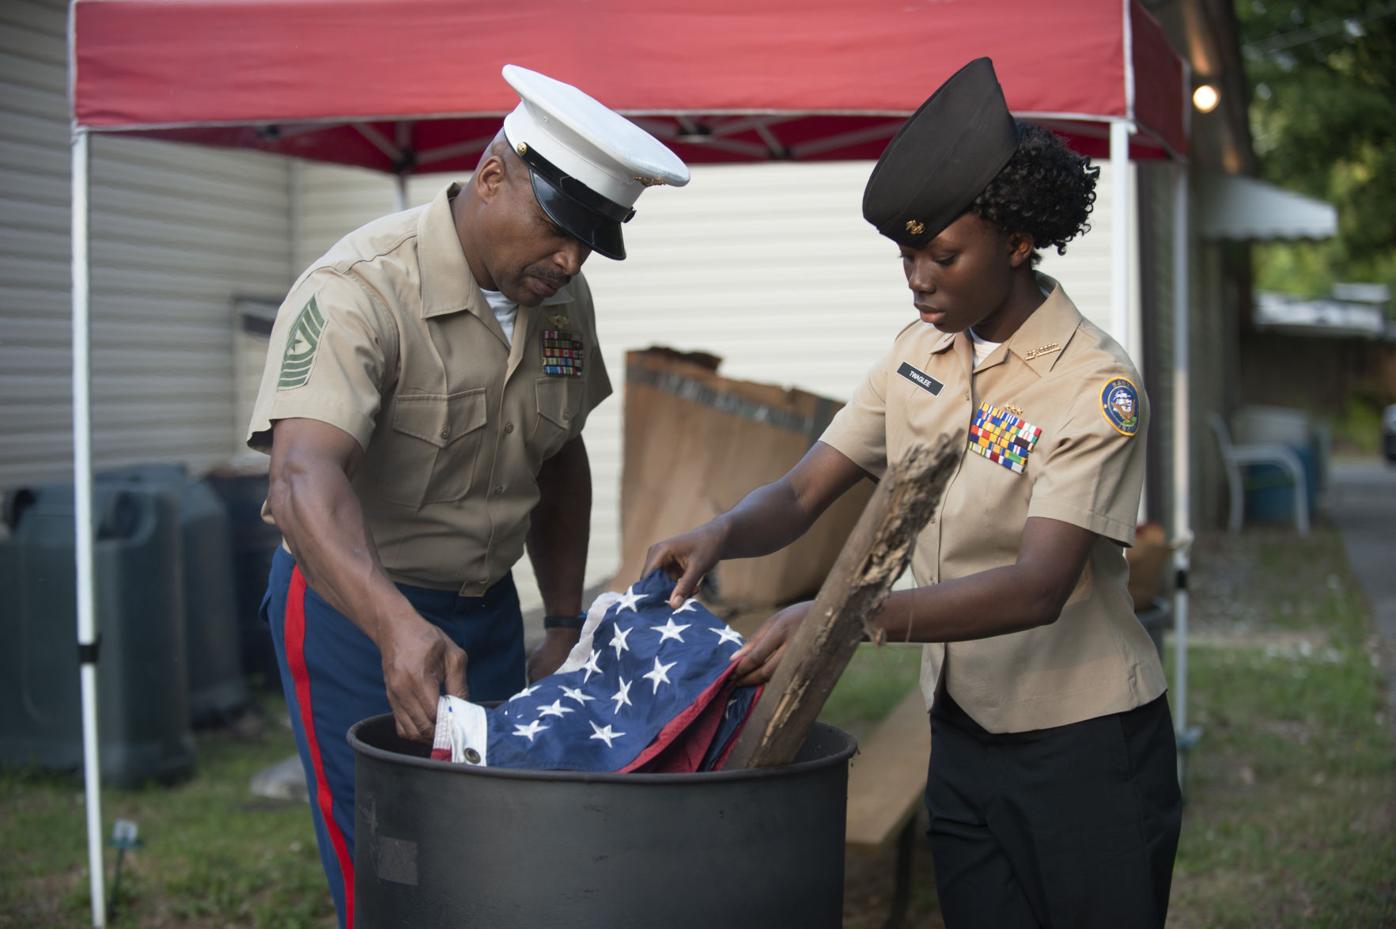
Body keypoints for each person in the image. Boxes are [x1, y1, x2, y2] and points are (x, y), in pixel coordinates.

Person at [644, 58, 1180, 928]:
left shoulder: (1093, 385)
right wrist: (720, 531)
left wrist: (842, 619)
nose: (918, 278)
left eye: (941, 255)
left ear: (1015, 241)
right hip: (964, 736)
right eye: (905, 256)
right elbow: (802, 489)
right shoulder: (917, 357)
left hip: (1085, 745)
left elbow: (1040, 586)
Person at [246, 65, 689, 928]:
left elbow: (560, 457)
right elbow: (302, 477)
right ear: (493, 177)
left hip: (485, 613)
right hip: (356, 612)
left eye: (592, 243)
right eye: (560, 228)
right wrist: (392, 624)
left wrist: (561, 621)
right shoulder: (359, 290)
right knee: (391, 864)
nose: (571, 260)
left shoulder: (561, 302)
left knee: (493, 851)